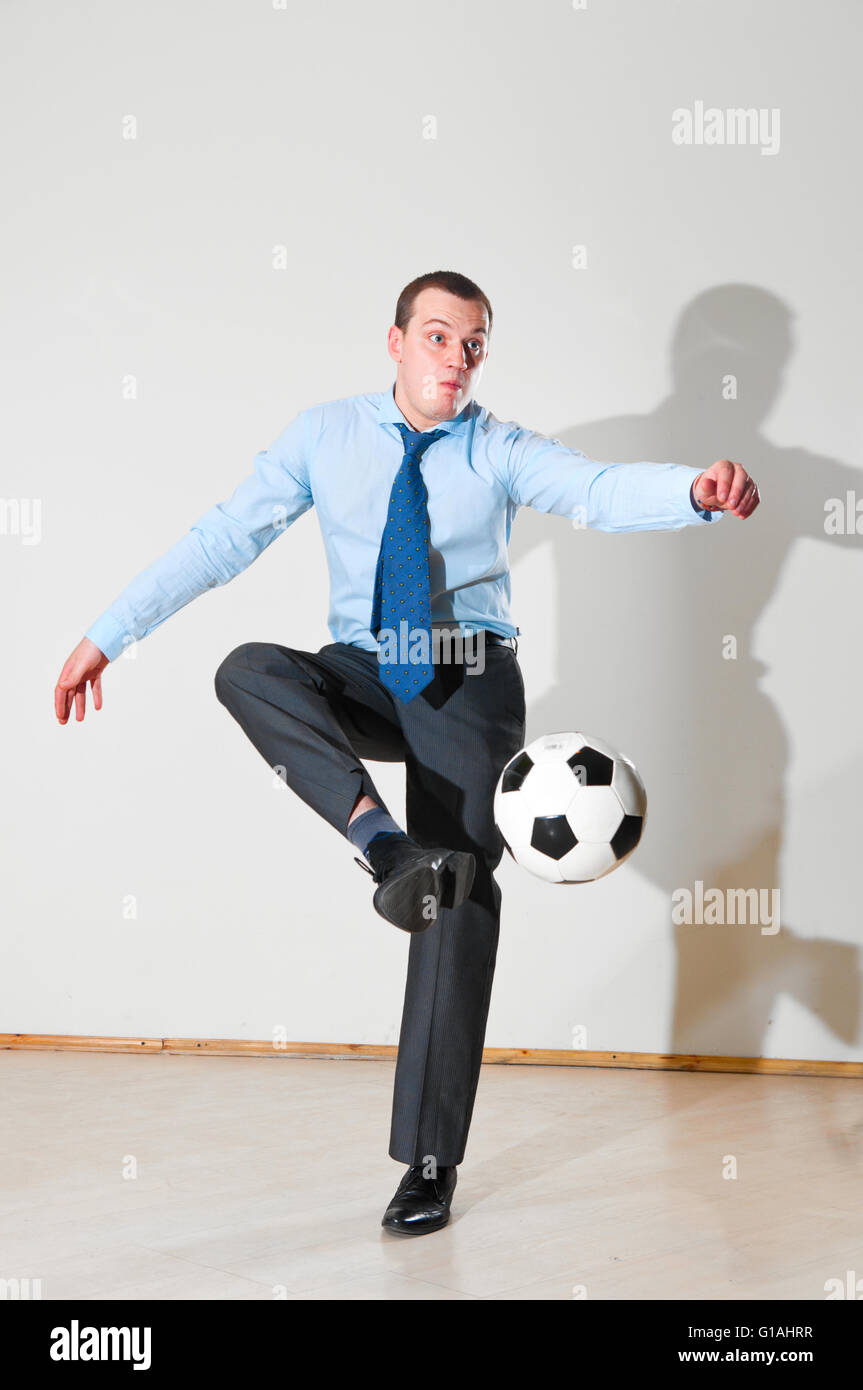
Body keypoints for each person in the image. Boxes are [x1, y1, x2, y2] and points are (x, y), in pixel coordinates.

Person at [54, 269, 760, 1237]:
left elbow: (593, 491)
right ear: (394, 342)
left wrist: (692, 487)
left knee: (457, 899)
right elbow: (224, 537)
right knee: (250, 669)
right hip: (365, 667)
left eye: (471, 342)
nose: (455, 359)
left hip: (466, 682)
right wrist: (108, 632)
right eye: (436, 337)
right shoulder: (324, 435)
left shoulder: (497, 447)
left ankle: (428, 1159)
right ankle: (383, 847)